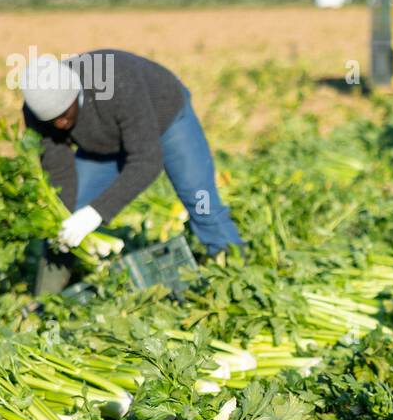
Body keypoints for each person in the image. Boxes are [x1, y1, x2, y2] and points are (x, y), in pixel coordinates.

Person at [18, 49, 244, 291]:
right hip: (102, 146)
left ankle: (234, 274)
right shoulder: (37, 113)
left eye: (64, 114)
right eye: (51, 120)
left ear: (76, 91)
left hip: (166, 121)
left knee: (200, 199)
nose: (60, 124)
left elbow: (147, 161)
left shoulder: (116, 80)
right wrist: (65, 218)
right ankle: (47, 297)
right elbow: (59, 170)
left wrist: (95, 213)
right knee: (65, 214)